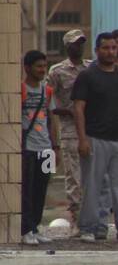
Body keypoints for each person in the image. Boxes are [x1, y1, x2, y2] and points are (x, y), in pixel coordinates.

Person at [72, 33, 118, 243]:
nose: (111, 52)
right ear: (97, 50)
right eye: (106, 48)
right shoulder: (87, 76)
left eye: (113, 48)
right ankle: (88, 227)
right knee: (93, 186)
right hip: (95, 137)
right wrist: (82, 139)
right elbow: (78, 107)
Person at [48, 30, 88, 223]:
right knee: (74, 177)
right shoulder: (57, 71)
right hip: (70, 130)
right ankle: (77, 219)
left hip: (92, 128)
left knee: (93, 176)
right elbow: (48, 104)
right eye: (74, 44)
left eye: (81, 43)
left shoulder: (90, 68)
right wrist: (68, 111)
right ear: (67, 46)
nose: (78, 47)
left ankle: (93, 219)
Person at [21, 50, 58, 245]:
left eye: (44, 66)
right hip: (27, 148)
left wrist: (55, 146)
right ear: (27, 68)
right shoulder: (21, 90)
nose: (43, 70)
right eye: (39, 66)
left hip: (46, 148)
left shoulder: (47, 90)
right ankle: (26, 229)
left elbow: (52, 119)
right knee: (27, 188)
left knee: (41, 188)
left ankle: (35, 227)